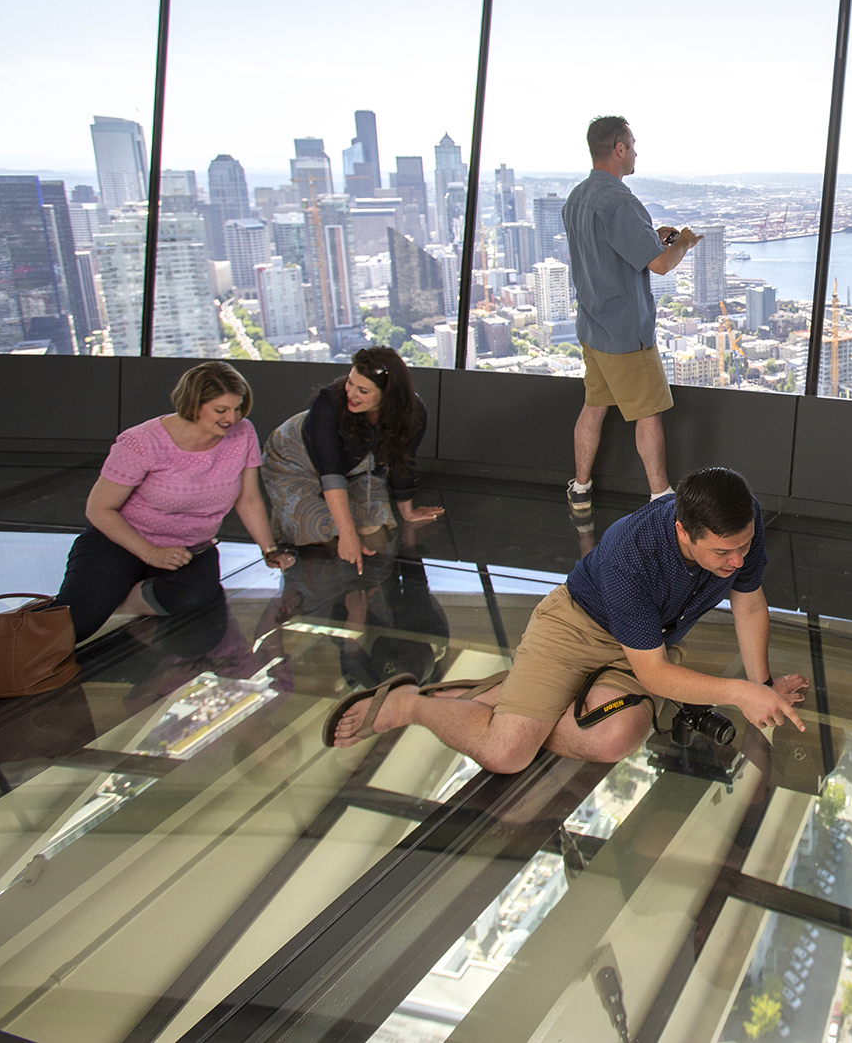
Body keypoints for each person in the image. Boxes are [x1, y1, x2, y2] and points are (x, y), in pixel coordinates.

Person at [325, 466, 811, 771]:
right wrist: (740, 692)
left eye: (745, 545)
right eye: (724, 552)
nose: (739, 560)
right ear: (684, 531)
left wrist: (762, 685)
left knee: (618, 736)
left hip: (645, 641)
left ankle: (514, 697)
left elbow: (747, 601)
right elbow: (656, 674)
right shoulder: (632, 552)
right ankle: (413, 703)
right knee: (506, 754)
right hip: (576, 628)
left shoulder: (739, 524)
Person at [54, 361, 291, 642]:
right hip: (122, 541)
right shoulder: (141, 442)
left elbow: (248, 499)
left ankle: (120, 600)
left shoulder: (243, 432)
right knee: (73, 627)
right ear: (193, 404)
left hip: (189, 549)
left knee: (197, 610)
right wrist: (151, 553)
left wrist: (269, 549)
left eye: (237, 408)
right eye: (221, 410)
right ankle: (103, 599)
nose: (232, 418)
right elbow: (99, 508)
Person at [563, 116, 703, 510]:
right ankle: (661, 498)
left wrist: (655, 239)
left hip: (593, 326)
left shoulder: (577, 197)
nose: (637, 151)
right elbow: (660, 265)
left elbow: (607, 251)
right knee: (650, 413)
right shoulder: (621, 201)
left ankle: (581, 489)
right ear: (619, 149)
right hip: (626, 332)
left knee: (594, 407)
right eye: (633, 144)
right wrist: (684, 243)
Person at [261, 346, 444, 574]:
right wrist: (347, 534)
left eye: (363, 391)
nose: (351, 393)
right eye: (350, 382)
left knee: (376, 536)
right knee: (323, 536)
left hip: (355, 466)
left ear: (388, 396)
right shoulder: (327, 402)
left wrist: (407, 511)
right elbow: (330, 471)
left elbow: (402, 458)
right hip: (293, 460)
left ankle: (363, 589)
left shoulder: (413, 411)